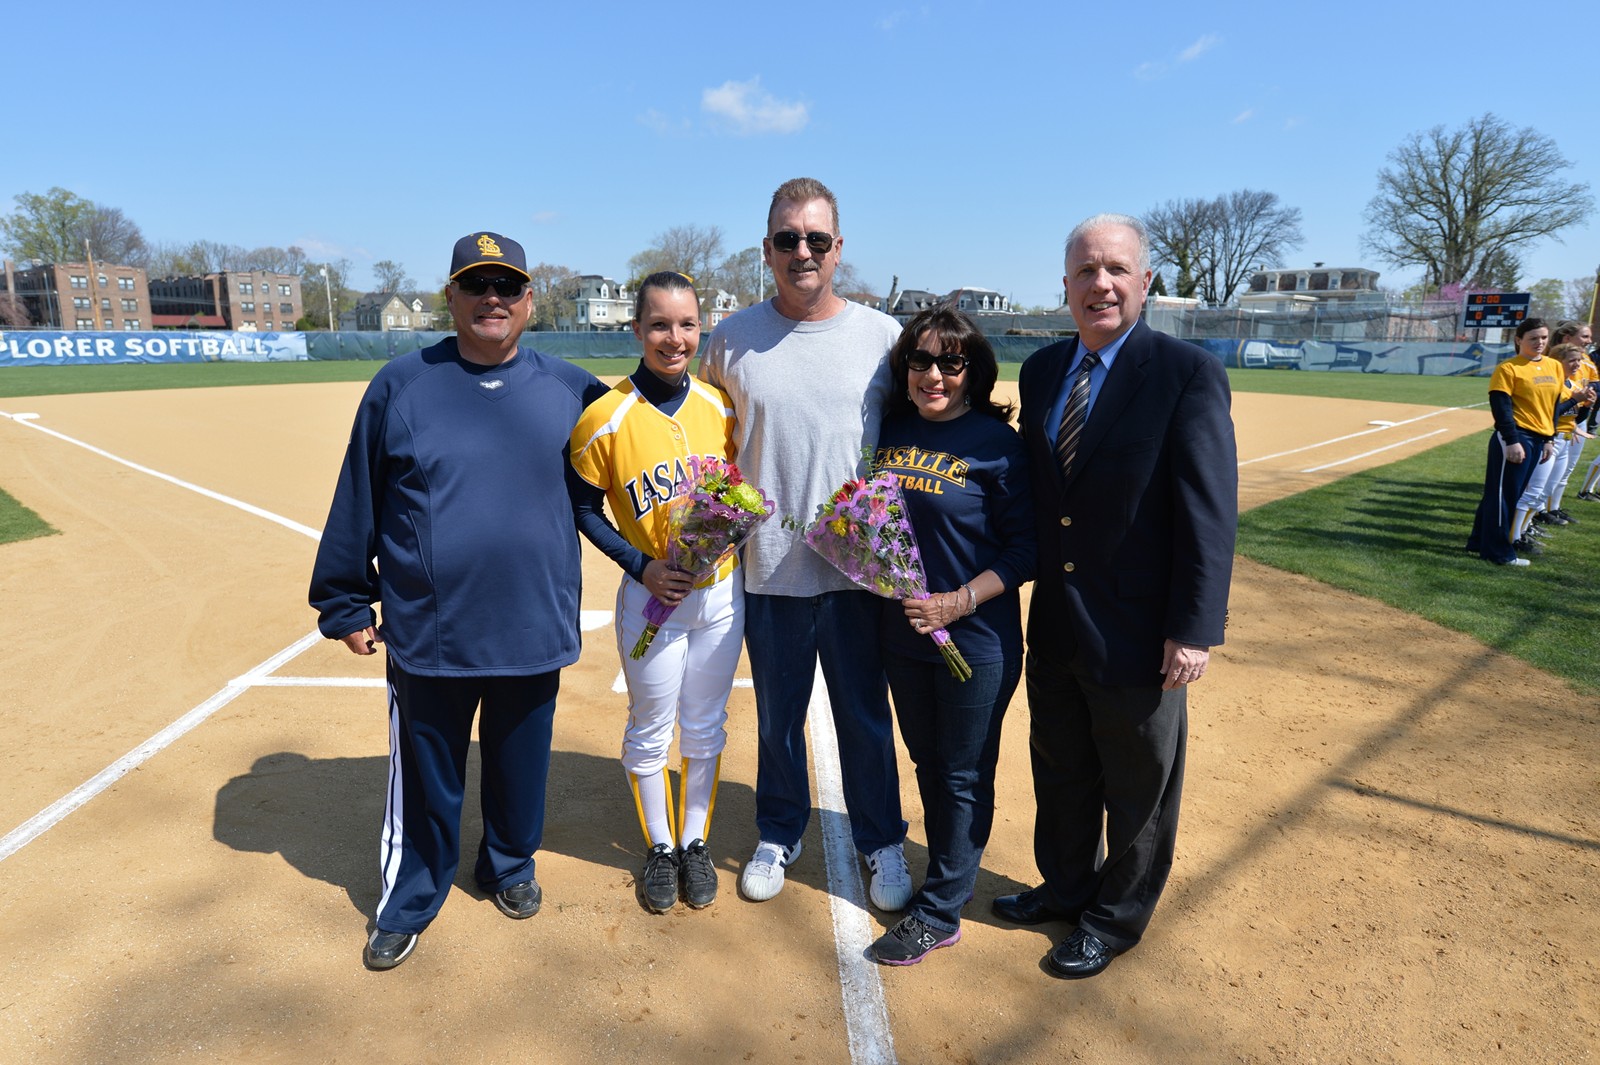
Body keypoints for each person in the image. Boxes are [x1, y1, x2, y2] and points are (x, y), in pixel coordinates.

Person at [309, 231, 608, 970]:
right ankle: (411, 894)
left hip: (533, 618)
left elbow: (624, 484)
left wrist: (670, 549)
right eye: (477, 285)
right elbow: (360, 494)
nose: (493, 299)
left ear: (530, 298)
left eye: (508, 285)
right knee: (427, 771)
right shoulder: (401, 384)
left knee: (521, 762)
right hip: (431, 627)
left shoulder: (573, 389)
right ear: (452, 296)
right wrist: (346, 599)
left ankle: (508, 864)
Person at [1004, 213, 1237, 979]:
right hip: (1060, 625)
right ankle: (1067, 887)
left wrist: (1193, 629)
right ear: (1065, 286)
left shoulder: (1185, 374)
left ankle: (1114, 916)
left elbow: (1207, 511)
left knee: (1139, 785)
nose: (1099, 283)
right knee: (1061, 766)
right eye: (1084, 271)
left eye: (1114, 269)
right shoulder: (1042, 373)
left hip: (1141, 629)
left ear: (1144, 282)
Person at [697, 177, 912, 910]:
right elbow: (701, 438)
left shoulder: (883, 339)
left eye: (816, 239)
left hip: (857, 576)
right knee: (778, 717)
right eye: (787, 239)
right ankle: (778, 830)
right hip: (768, 570)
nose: (802, 252)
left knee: (863, 716)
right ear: (766, 250)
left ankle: (882, 839)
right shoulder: (729, 340)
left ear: (838, 248)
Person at [866, 307, 1036, 965]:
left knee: (963, 771)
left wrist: (959, 600)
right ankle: (947, 873)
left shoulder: (998, 445)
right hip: (903, 635)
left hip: (976, 640)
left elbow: (1029, 550)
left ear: (973, 372)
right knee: (929, 760)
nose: (933, 373)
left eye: (950, 362)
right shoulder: (890, 428)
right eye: (920, 360)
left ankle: (939, 909)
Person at [569, 271, 741, 914]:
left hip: (722, 599)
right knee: (651, 728)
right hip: (651, 602)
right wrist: (640, 565)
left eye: (688, 324)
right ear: (637, 329)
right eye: (661, 324)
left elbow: (736, 496)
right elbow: (584, 512)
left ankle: (695, 843)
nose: (676, 338)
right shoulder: (604, 418)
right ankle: (660, 847)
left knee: (703, 728)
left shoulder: (720, 408)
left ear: (702, 328)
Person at [1466, 318, 1559, 566]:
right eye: (1533, 338)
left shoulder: (1554, 366)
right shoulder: (1509, 368)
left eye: (1543, 338)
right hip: (1516, 437)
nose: (1539, 343)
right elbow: (1501, 407)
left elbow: (1553, 406)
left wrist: (1550, 437)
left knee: (1500, 495)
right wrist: (1511, 440)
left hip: (1540, 437)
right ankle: (1498, 553)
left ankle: (1478, 542)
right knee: (1504, 497)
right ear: (1519, 340)